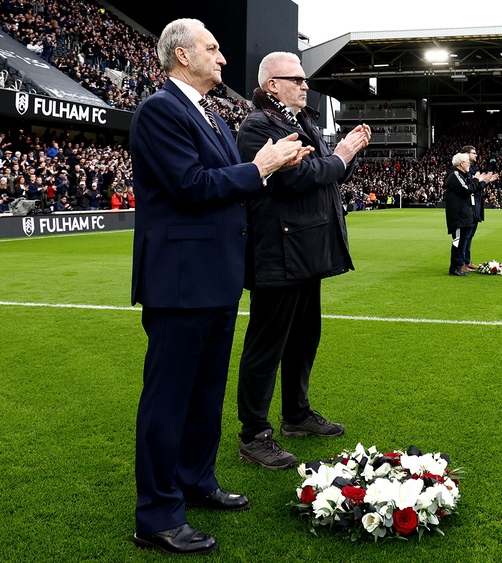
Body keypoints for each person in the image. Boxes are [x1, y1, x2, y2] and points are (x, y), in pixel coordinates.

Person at [129, 19, 308, 556]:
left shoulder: (209, 113)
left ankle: (196, 482)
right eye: (212, 48)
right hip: (180, 281)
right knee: (169, 400)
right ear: (181, 56)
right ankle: (157, 515)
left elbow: (232, 184)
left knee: (206, 395)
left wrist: (271, 168)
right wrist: (262, 166)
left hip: (215, 278)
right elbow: (190, 186)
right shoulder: (160, 109)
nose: (223, 57)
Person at [234, 51, 370, 470]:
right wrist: (340, 155)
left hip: (307, 249)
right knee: (267, 343)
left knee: (305, 335)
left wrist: (344, 156)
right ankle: (253, 434)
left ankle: (296, 415)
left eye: (305, 78)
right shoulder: (258, 126)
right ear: (271, 84)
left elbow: (327, 174)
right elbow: (294, 180)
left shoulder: (302, 120)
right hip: (280, 252)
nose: (305, 84)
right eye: (296, 78)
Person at [445, 153, 476, 276]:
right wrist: (477, 180)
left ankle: (458, 265)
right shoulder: (455, 175)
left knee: (462, 240)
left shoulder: (461, 175)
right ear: (462, 164)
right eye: (468, 162)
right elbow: (466, 190)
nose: (469, 164)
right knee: (457, 240)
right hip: (457, 215)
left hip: (463, 214)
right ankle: (454, 267)